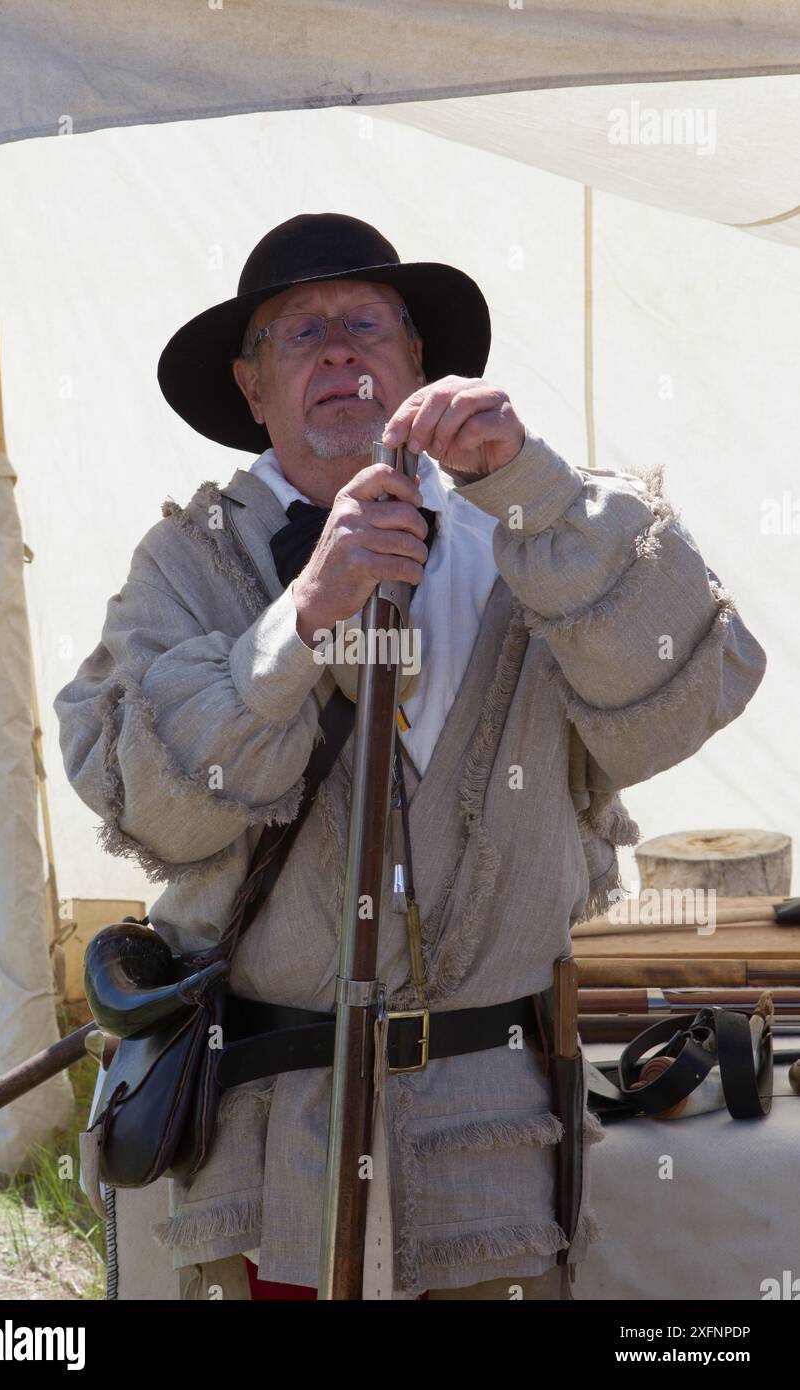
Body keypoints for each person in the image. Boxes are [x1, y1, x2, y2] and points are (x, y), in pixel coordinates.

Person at [55, 212, 766, 1300]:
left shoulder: (533, 530)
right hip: (273, 1136)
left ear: (417, 361)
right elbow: (162, 809)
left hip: (493, 1137)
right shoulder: (187, 568)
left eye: (365, 323)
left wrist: (530, 486)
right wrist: (299, 620)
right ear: (252, 389)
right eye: (299, 333)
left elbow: (673, 693)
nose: (338, 350)